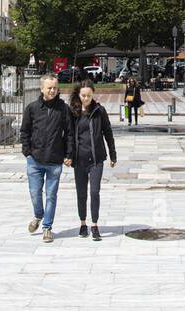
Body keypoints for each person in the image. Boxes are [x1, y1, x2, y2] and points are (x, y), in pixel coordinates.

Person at [20, 74, 72, 241]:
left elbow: (69, 133)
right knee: (35, 193)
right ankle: (38, 215)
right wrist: (27, 151)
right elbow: (25, 131)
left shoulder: (63, 109)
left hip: (55, 160)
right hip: (34, 160)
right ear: (41, 88)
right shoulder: (32, 108)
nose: (53, 90)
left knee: (51, 195)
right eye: (49, 87)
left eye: (55, 88)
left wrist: (68, 154)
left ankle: (47, 227)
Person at [65, 81, 117, 241]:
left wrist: (113, 154)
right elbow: (69, 136)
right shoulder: (73, 112)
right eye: (83, 95)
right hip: (79, 160)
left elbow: (108, 132)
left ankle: (95, 225)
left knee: (94, 192)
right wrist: (68, 155)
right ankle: (83, 223)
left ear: (93, 94)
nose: (86, 98)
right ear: (79, 95)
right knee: (81, 193)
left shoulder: (99, 111)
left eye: (88, 95)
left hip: (96, 159)